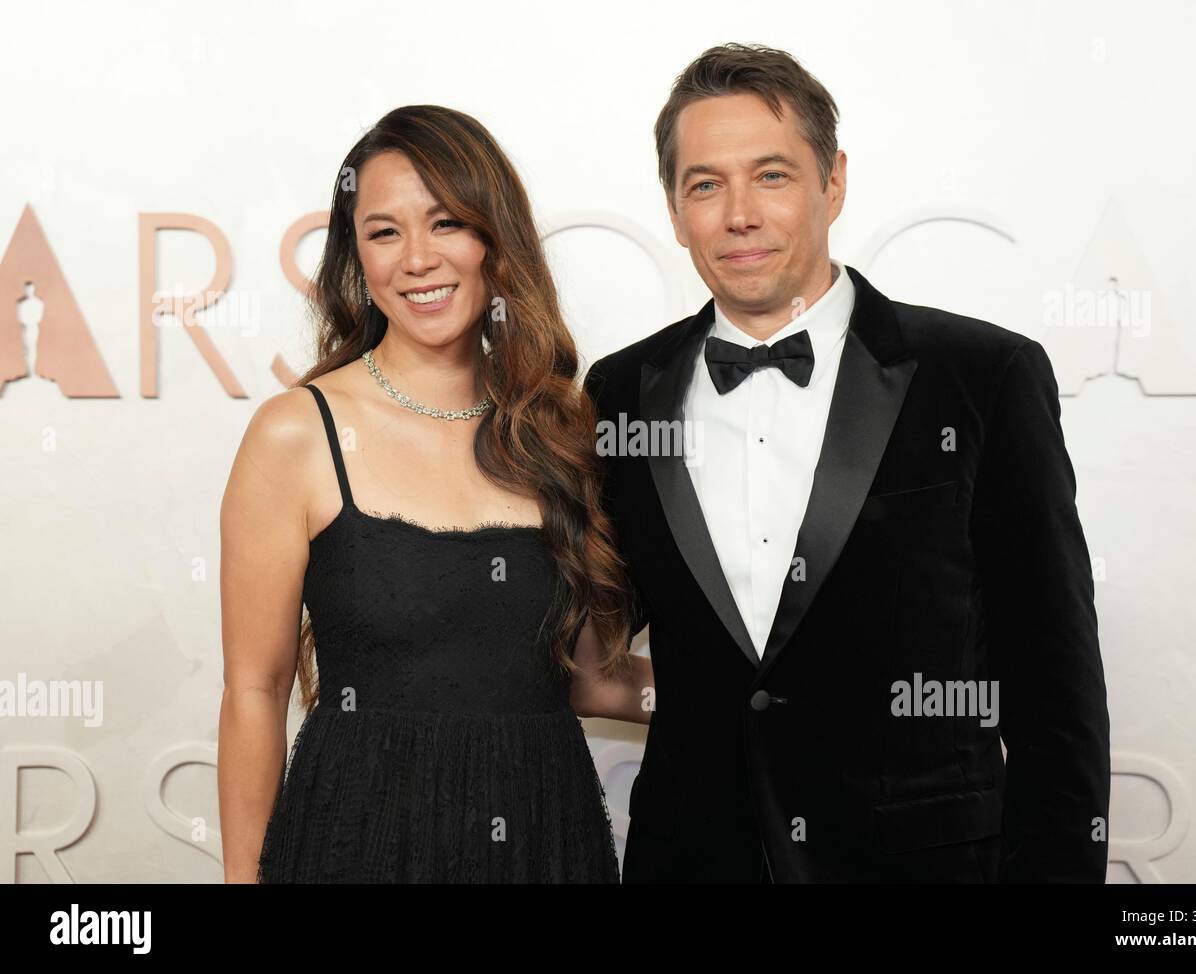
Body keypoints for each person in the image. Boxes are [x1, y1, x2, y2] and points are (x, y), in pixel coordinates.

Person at [583, 43, 1111, 883]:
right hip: (692, 858)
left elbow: (1056, 686)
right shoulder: (616, 391)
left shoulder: (982, 375)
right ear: (676, 210)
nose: (739, 215)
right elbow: (597, 628)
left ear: (834, 184)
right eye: (705, 184)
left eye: (773, 176)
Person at [217, 105, 649, 883]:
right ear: (358, 259)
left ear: (494, 240)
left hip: (543, 840)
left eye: (446, 222)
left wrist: (768, 694)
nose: (416, 258)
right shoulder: (297, 434)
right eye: (384, 232)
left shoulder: (560, 430)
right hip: (357, 838)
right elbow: (255, 688)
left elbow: (588, 673)